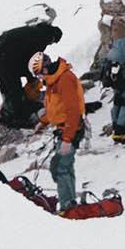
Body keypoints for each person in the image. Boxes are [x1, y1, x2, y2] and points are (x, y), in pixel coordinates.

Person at [32, 48, 86, 215]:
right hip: (63, 130)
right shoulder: (53, 81)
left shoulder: (65, 79)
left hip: (70, 130)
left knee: (61, 168)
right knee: (61, 166)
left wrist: (68, 139)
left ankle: (67, 207)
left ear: (46, 69)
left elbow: (72, 110)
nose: (40, 79)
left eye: (40, 74)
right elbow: (56, 108)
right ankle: (69, 202)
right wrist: (43, 122)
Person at [0, 11, 62, 126]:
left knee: (5, 78)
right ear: (53, 37)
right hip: (4, 52)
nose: (51, 44)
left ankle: (9, 106)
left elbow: (26, 57)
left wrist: (29, 76)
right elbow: (32, 60)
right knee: (13, 84)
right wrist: (31, 77)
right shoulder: (43, 38)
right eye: (54, 42)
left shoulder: (37, 31)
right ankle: (18, 117)